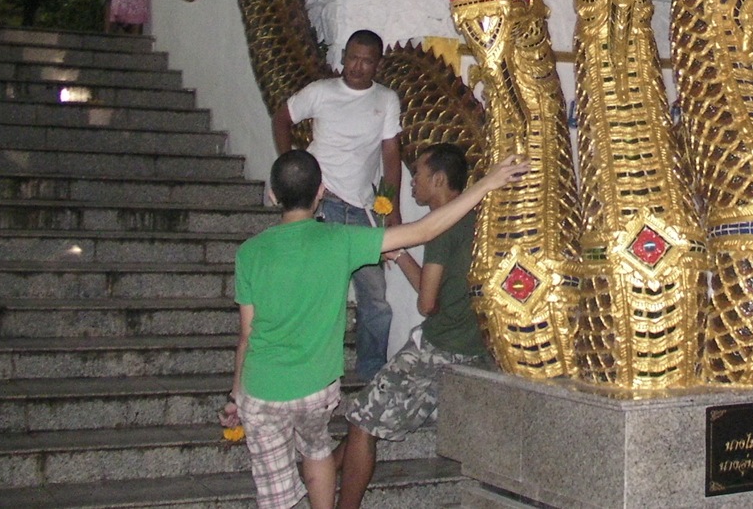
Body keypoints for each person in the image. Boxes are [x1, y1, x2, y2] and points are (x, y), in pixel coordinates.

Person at [219, 148, 526, 509]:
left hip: (264, 387)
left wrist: (236, 395)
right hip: (316, 388)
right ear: (321, 193)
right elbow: (424, 229)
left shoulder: (250, 253)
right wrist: (488, 183)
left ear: (273, 194)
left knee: (277, 490)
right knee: (318, 454)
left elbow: (246, 336)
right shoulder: (341, 240)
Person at [334, 142, 491, 509]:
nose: (411, 183)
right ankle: (313, 474)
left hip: (438, 348)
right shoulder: (474, 219)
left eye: (417, 174)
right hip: (472, 348)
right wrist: (401, 254)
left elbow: (427, 302)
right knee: (366, 412)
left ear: (438, 179)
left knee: (361, 422)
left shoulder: (442, 227)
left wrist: (401, 255)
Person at [271, 29, 402, 381]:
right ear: (343, 56)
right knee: (315, 293)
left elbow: (391, 155)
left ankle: (371, 373)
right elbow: (281, 118)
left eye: (367, 61)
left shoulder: (387, 100)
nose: (358, 67)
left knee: (376, 300)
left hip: (363, 208)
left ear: (378, 64)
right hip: (321, 204)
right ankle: (305, 367)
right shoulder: (321, 92)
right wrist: (291, 172)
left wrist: (392, 209)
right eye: (353, 58)